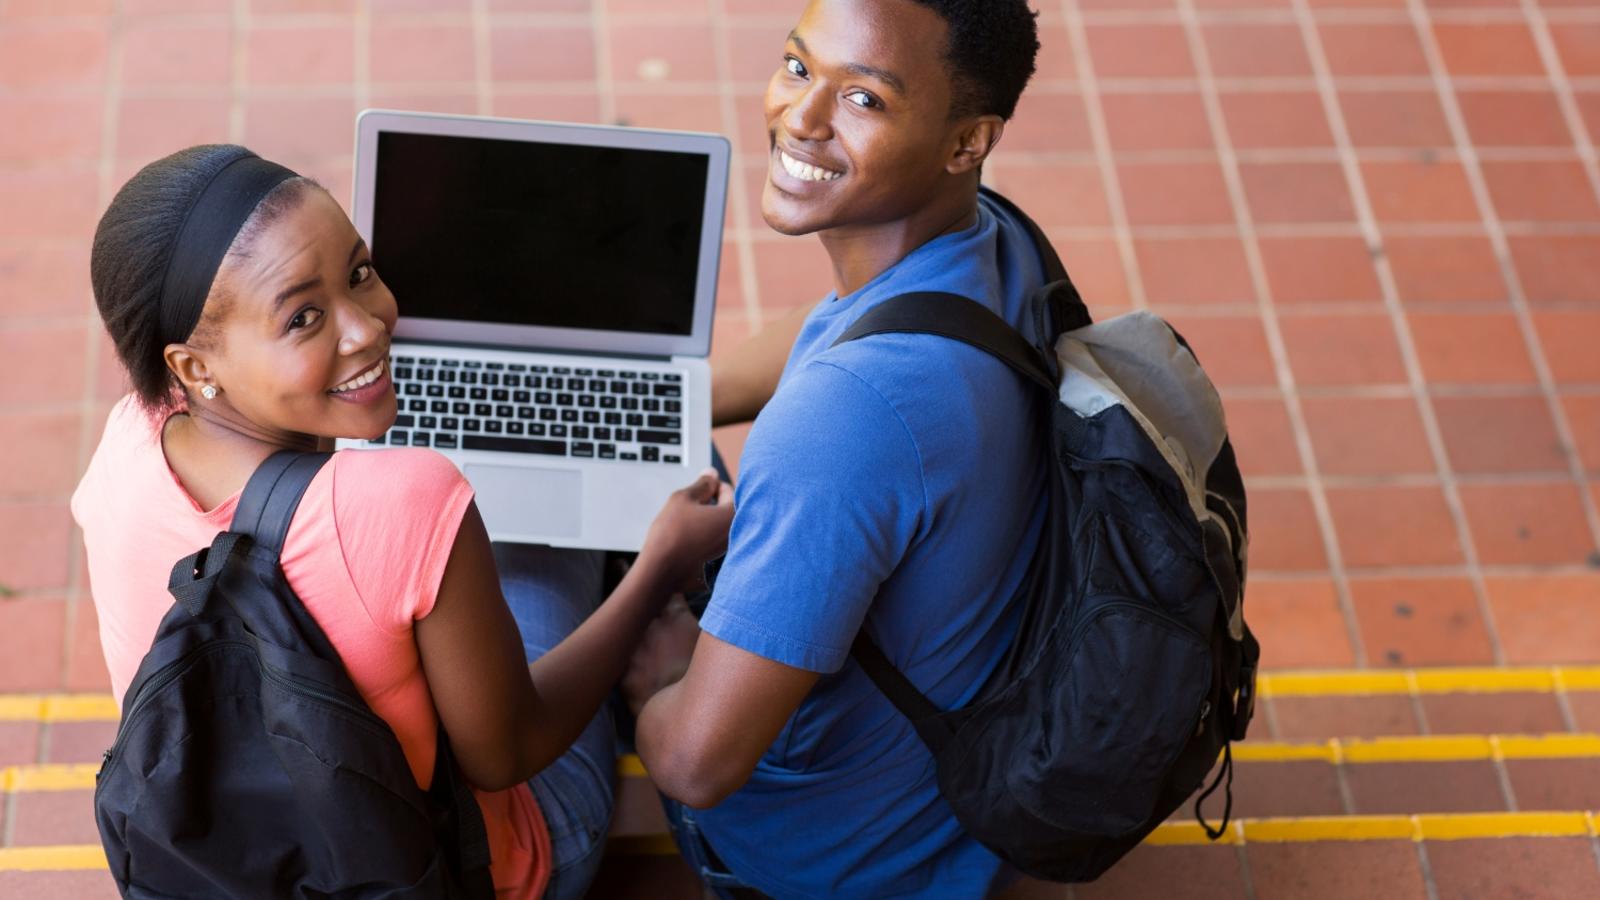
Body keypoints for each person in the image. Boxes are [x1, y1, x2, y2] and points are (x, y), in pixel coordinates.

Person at [72, 144, 734, 900]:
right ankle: (663, 681)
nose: (368, 329)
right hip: (485, 869)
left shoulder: (125, 444)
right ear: (193, 368)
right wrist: (655, 570)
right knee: (636, 494)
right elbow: (506, 756)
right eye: (303, 318)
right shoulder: (410, 500)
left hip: (246, 863)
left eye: (359, 273)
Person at [623, 0, 1048, 896]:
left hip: (827, 860)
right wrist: (662, 403)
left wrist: (668, 673)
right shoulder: (995, 240)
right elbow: (840, 324)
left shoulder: (841, 426)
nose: (802, 117)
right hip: (947, 804)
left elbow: (696, 764)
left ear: (967, 140)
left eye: (865, 99)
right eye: (798, 66)